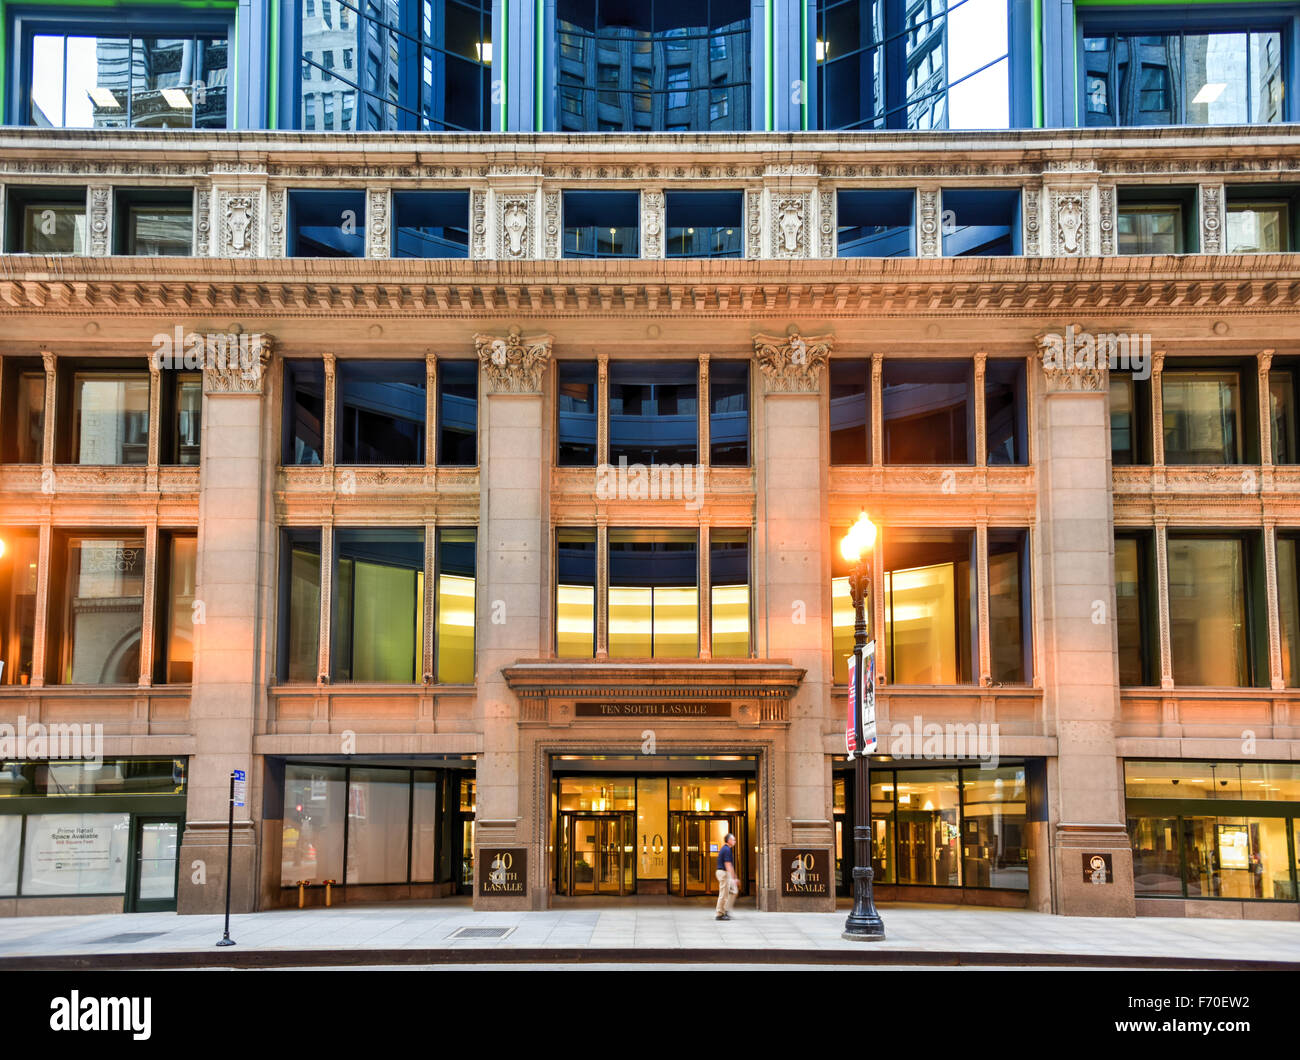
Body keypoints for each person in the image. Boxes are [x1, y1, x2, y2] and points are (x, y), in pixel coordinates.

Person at [715, 833, 738, 920]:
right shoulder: (727, 849)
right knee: (723, 894)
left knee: (733, 890)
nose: (735, 841)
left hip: (724, 873)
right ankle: (719, 914)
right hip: (724, 873)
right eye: (733, 840)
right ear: (729, 840)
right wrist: (734, 878)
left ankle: (726, 910)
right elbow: (728, 864)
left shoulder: (726, 849)